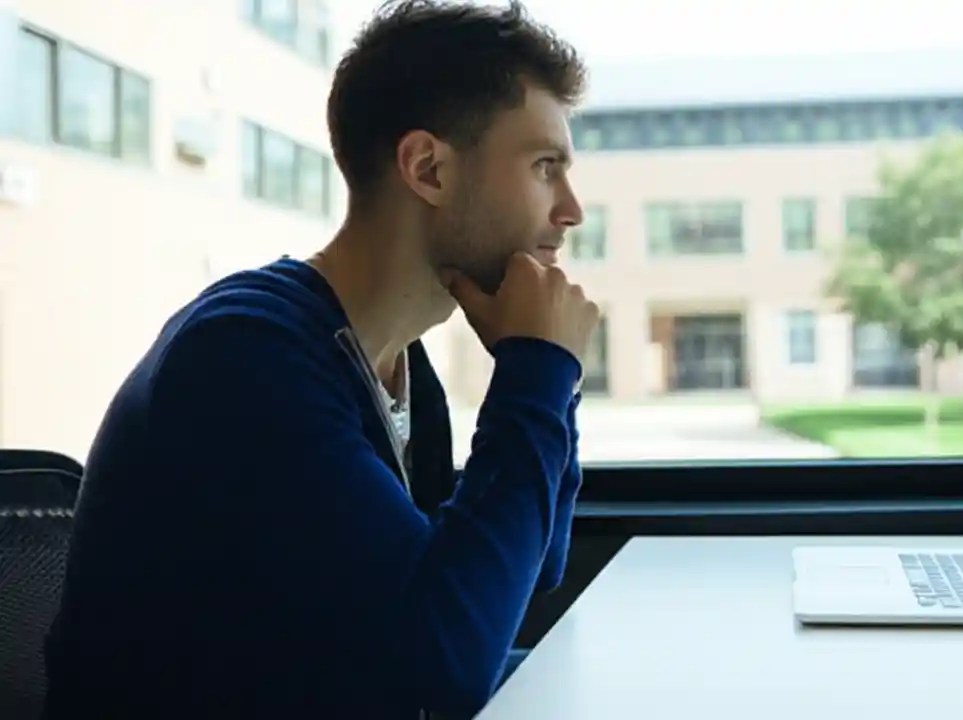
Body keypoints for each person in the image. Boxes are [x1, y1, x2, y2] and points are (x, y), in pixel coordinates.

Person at [41, 1, 597, 717]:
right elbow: (443, 665)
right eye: (545, 166)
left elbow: (535, 566)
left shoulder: (397, 365)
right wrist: (537, 370)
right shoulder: (245, 355)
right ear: (427, 167)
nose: (572, 208)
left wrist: (549, 375)